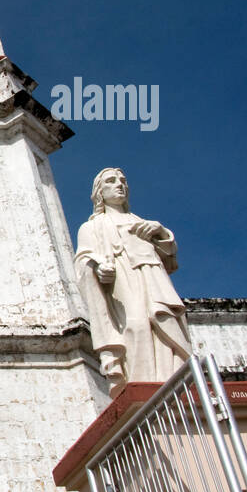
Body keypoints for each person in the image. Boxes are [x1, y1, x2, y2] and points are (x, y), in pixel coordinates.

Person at [74, 167, 191, 397]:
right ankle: (142, 392)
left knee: (167, 323)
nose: (119, 185)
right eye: (111, 181)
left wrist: (161, 231)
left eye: (122, 181)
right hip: (123, 282)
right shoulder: (92, 227)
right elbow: (83, 261)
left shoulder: (141, 222)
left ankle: (176, 385)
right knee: (136, 327)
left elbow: (170, 258)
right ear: (100, 192)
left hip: (154, 278)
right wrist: (98, 270)